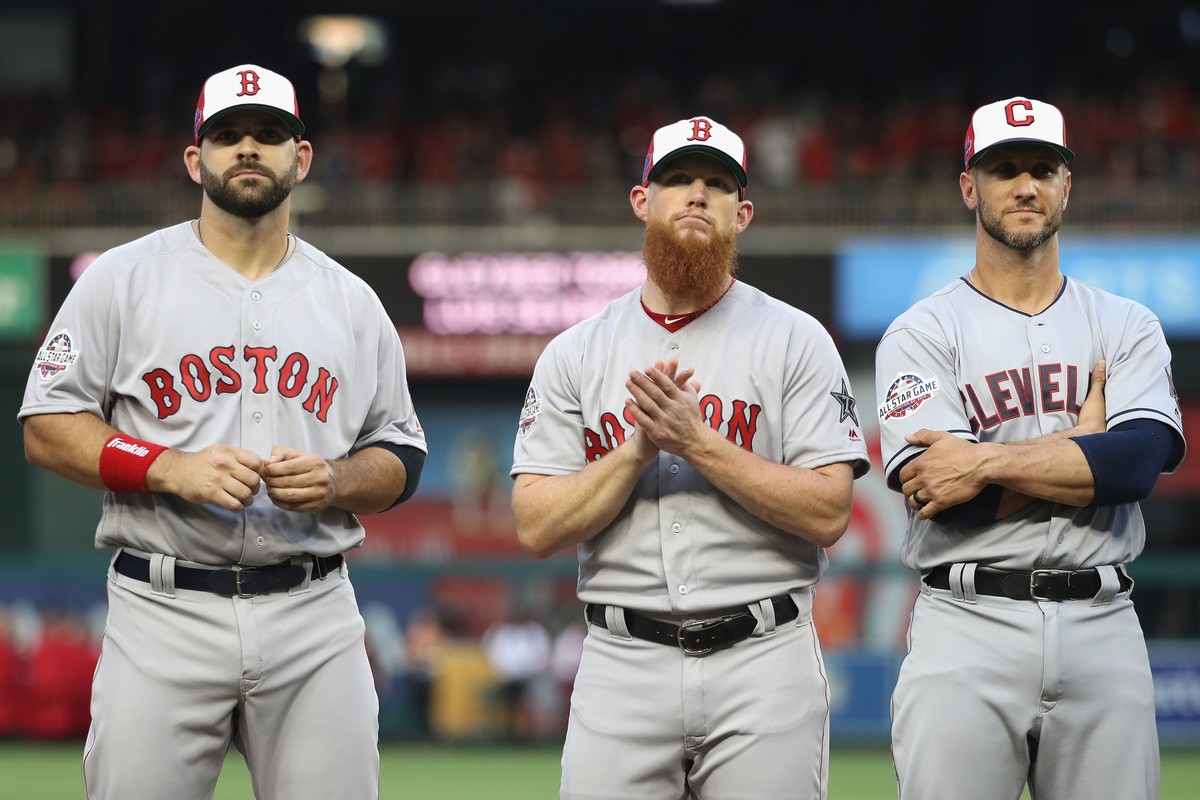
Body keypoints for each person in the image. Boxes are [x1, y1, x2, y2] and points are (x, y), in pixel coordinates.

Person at [19, 64, 426, 799]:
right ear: (193, 158)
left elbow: (401, 454)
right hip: (163, 608)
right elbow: (47, 426)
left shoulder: (352, 302)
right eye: (228, 134)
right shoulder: (121, 278)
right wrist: (165, 466)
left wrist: (338, 481)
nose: (247, 148)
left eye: (268, 135)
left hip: (313, 610)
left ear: (300, 159)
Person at [511, 115, 870, 799]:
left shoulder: (796, 339)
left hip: (763, 657)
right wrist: (637, 451)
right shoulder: (575, 352)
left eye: (716, 183)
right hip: (623, 661)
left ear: (743, 213)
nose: (697, 195)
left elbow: (829, 513)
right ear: (643, 202)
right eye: (677, 180)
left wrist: (698, 443)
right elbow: (535, 526)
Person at [875, 97, 1186, 800]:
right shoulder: (922, 332)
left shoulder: (1125, 323)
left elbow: (1134, 464)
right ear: (968, 187)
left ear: (1066, 187)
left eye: (1043, 168)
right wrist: (1081, 451)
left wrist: (985, 459)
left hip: (1103, 622)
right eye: (1004, 168)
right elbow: (944, 501)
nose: (1025, 185)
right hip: (967, 623)